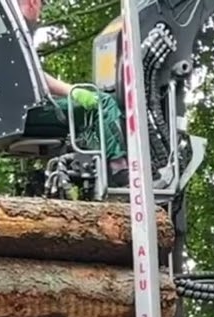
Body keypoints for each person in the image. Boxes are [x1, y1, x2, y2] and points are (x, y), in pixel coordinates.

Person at [15, 0, 130, 186]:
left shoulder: (7, 32)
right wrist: (73, 92)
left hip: (21, 113)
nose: (40, 13)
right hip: (27, 114)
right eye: (41, 6)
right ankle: (120, 168)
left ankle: (100, 166)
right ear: (32, 2)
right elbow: (33, 75)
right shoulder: (16, 34)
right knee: (103, 102)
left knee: (86, 115)